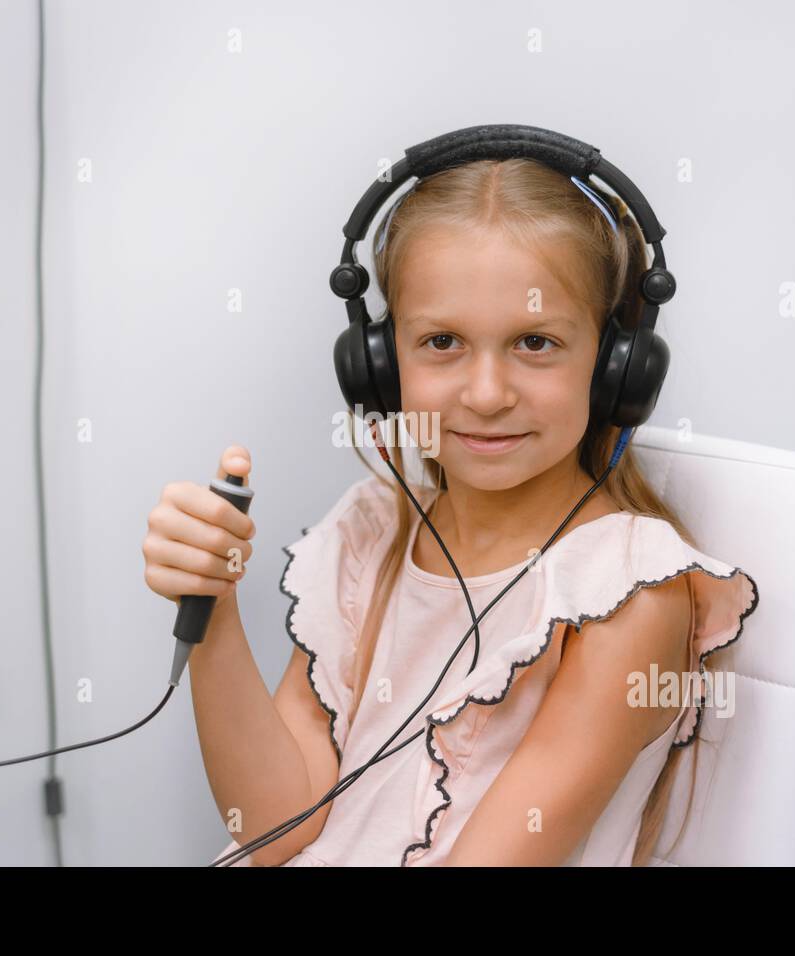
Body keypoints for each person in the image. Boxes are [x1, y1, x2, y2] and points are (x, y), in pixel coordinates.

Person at [142, 157, 760, 866]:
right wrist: (213, 608)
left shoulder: (626, 593)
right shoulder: (371, 530)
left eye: (536, 342)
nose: (488, 393)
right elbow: (273, 825)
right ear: (378, 363)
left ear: (617, 365)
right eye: (442, 342)